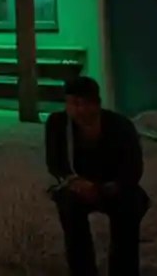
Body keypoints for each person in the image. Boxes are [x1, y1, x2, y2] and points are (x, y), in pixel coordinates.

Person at [46, 76, 150, 276]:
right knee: (69, 210)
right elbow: (55, 162)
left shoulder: (120, 125)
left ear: (97, 103)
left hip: (115, 184)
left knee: (129, 209)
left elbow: (134, 167)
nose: (79, 110)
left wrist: (114, 186)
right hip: (77, 185)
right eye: (73, 104)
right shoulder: (57, 123)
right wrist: (76, 182)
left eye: (85, 104)